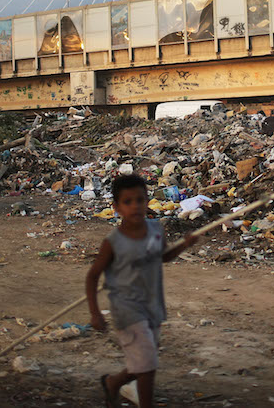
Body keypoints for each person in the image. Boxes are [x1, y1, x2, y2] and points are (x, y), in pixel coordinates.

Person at [86, 174, 198, 408]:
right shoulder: (113, 242)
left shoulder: (156, 229)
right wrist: (95, 313)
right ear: (116, 207)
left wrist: (184, 245)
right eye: (128, 202)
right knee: (147, 366)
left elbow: (163, 257)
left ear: (148, 201)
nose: (135, 206)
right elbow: (93, 276)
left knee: (144, 361)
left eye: (140, 199)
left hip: (153, 306)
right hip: (127, 310)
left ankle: (114, 382)